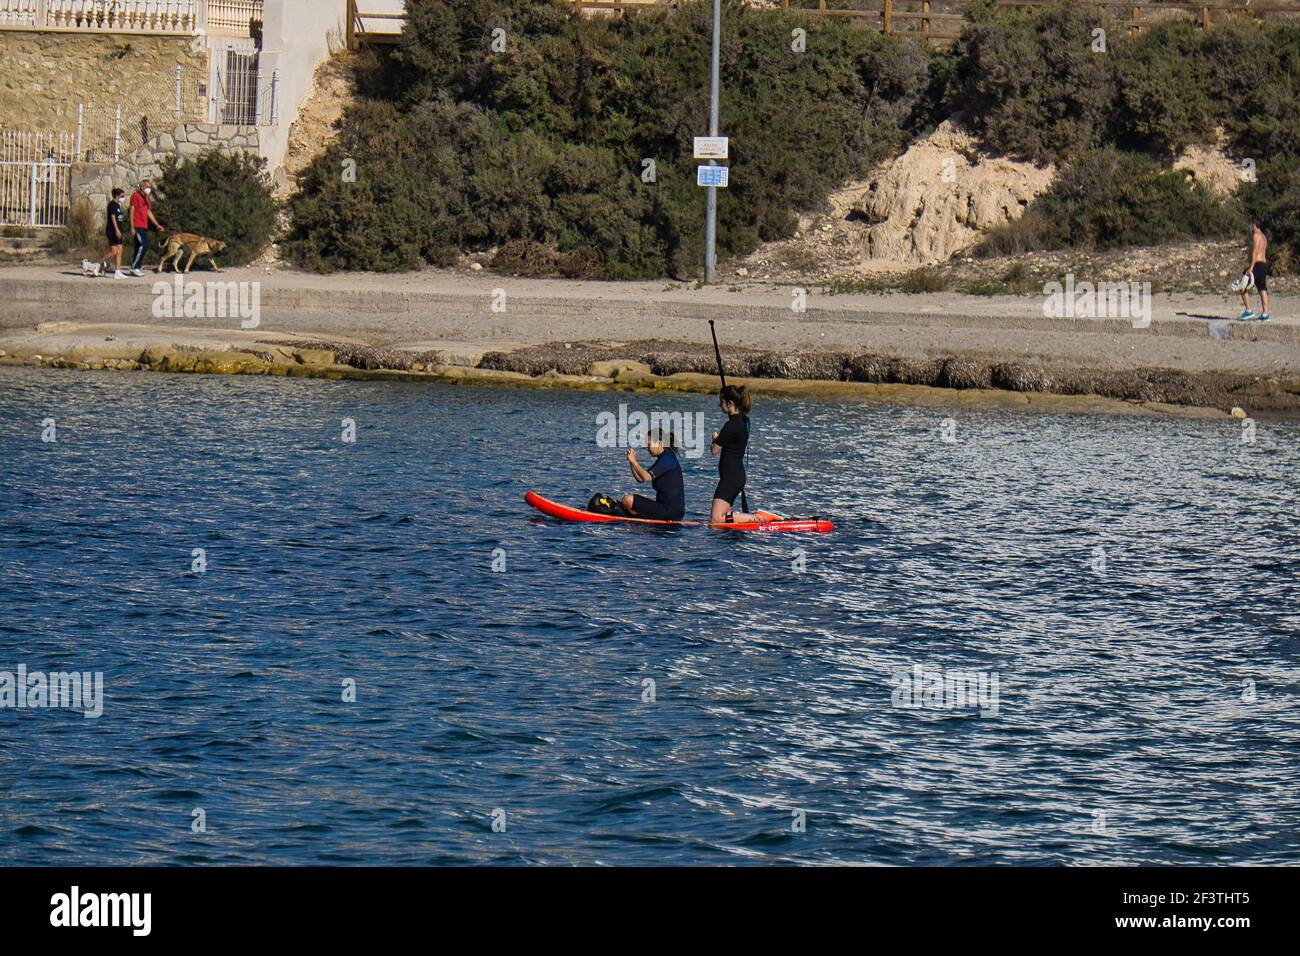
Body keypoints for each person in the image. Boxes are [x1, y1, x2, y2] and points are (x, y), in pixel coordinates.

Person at [710, 384, 758, 524]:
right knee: (722, 516)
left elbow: (714, 450)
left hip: (731, 478)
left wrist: (715, 439)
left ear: (730, 403)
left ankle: (754, 519)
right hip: (734, 476)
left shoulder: (731, 426)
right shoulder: (743, 421)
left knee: (716, 518)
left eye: (721, 402)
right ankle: (746, 519)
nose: (720, 405)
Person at [621, 428, 685, 522]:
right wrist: (632, 462)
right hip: (665, 508)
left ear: (660, 444)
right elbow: (640, 479)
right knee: (628, 501)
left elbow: (646, 477)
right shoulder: (664, 458)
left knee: (628, 500)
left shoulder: (668, 460)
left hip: (670, 511)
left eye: (649, 445)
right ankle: (641, 516)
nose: (648, 449)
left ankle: (641, 516)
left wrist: (634, 462)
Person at [128, 179, 165, 276]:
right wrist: (132, 227)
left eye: (149, 187)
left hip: (144, 225)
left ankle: (135, 267)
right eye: (147, 187)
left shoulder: (146, 198)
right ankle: (135, 267)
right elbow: (131, 211)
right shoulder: (135, 196)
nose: (149, 189)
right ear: (142, 187)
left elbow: (148, 212)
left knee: (138, 247)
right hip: (137, 225)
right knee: (143, 245)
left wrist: (157, 225)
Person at [1240, 221, 1271, 322]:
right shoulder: (1264, 237)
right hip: (1263, 264)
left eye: (1252, 225)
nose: (1250, 227)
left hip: (1256, 264)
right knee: (1262, 287)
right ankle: (1265, 313)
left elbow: (1255, 251)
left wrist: (1251, 268)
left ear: (1255, 225)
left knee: (1242, 285)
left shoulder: (1256, 235)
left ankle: (1248, 311)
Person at [104, 188, 127, 279]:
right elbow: (113, 217)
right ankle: (98, 263)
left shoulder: (118, 205)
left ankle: (117, 271)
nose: (123, 198)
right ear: (116, 196)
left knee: (120, 250)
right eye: (122, 196)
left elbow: (119, 218)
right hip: (112, 231)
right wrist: (117, 230)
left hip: (119, 231)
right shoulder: (112, 205)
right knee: (114, 251)